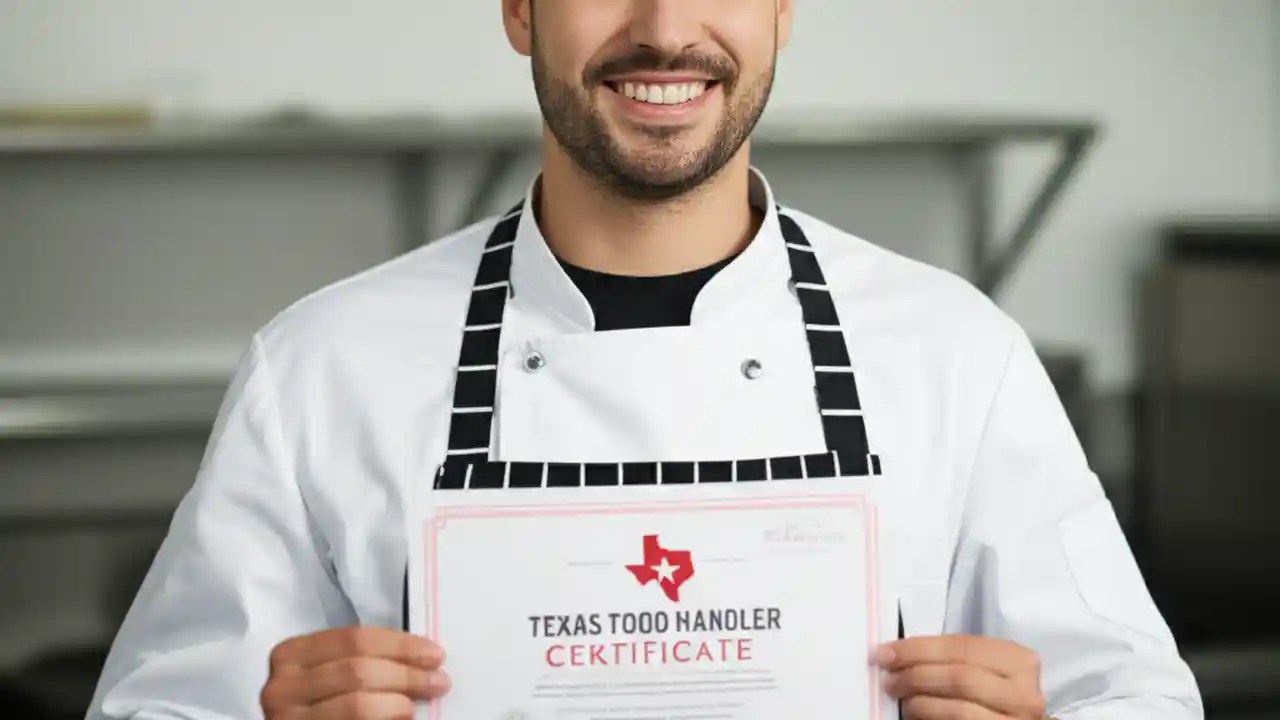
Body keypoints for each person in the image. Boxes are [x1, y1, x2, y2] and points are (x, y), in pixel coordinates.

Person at [89, 1, 1203, 718]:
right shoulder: (322, 365)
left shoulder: (956, 353)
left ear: (781, 10)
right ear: (519, 12)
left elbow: (1137, 701)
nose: (664, 27)